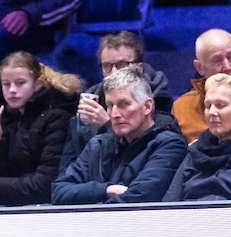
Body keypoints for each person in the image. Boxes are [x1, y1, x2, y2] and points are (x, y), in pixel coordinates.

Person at [0, 50, 80, 206]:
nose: (12, 90)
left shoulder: (57, 118)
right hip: (10, 201)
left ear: (37, 84)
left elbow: (47, 184)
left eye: (20, 83)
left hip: (41, 205)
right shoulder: (9, 117)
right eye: (6, 84)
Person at [52, 67, 188, 204]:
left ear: (147, 106)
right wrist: (106, 190)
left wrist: (91, 202)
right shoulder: (97, 145)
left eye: (123, 105)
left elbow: (139, 198)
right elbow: (58, 192)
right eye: (110, 105)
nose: (114, 114)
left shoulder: (170, 145)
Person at [59, 31, 173, 173]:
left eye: (121, 64)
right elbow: (67, 168)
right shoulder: (90, 100)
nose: (113, 72)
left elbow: (144, 157)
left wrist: (107, 125)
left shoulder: (157, 98)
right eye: (107, 66)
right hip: (90, 188)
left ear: (139, 67)